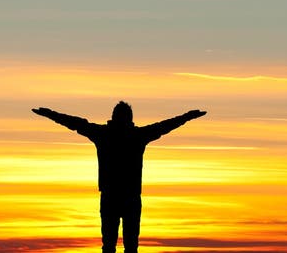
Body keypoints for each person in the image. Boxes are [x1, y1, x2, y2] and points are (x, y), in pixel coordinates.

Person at [32, 100, 206, 253]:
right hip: (124, 197)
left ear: (114, 117)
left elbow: (76, 123)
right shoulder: (134, 135)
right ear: (129, 119)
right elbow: (164, 126)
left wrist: (49, 114)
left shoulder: (106, 134)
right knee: (126, 246)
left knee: (112, 246)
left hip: (115, 197)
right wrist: (187, 117)